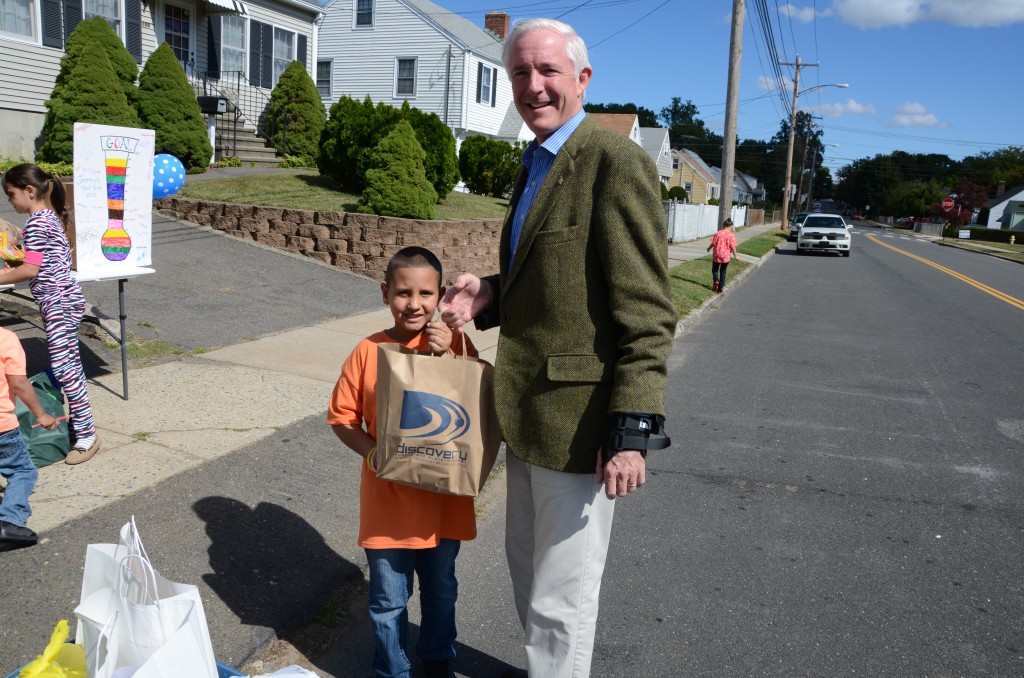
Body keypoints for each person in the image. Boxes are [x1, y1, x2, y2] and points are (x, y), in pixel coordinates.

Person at [439, 18, 676, 678]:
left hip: (581, 427)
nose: (533, 86)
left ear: (583, 79)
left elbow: (649, 313)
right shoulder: (538, 163)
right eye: (520, 72)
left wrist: (631, 429)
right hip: (529, 415)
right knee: (527, 573)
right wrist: (487, 293)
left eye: (548, 71)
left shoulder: (614, 163)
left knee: (559, 598)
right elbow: (551, 284)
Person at [328, 246, 478, 678]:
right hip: (389, 503)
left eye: (425, 293)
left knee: (441, 589)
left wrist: (449, 353)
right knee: (388, 599)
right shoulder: (367, 350)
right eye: (402, 293)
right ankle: (392, 670)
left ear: (441, 295)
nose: (414, 304)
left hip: (442, 503)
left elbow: (476, 401)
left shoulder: (457, 346)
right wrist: (373, 453)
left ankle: (436, 661)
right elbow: (341, 417)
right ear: (385, 293)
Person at [2, 164, 100, 464]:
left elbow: (30, 270)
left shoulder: (37, 223)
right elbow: (36, 264)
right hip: (61, 300)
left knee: (65, 367)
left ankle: (86, 435)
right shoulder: (46, 219)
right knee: (68, 365)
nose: (10, 201)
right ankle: (83, 429)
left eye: (11, 194)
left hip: (58, 302)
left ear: (30, 191)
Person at [0, 326, 59, 549]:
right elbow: (19, 383)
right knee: (22, 471)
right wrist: (41, 413)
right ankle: (10, 521)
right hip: (2, 427)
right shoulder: (6, 338)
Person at [707, 218, 739, 293]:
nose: (732, 228)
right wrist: (735, 256)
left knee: (715, 269)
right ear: (730, 226)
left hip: (717, 254)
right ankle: (720, 289)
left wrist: (709, 248)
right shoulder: (731, 235)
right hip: (725, 256)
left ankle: (716, 280)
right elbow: (733, 246)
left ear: (723, 225)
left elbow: (713, 243)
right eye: (732, 227)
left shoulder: (718, 233)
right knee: (723, 271)